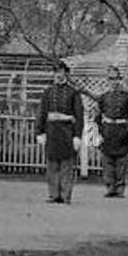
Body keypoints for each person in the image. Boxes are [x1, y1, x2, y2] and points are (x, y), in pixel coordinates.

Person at [37, 61, 84, 204]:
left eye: (61, 71)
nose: (58, 74)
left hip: (67, 131)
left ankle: (65, 196)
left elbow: (79, 115)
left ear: (65, 73)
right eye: (56, 71)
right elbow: (42, 113)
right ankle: (53, 195)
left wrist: (77, 136)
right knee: (52, 165)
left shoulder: (73, 92)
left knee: (66, 165)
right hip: (52, 131)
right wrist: (40, 132)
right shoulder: (48, 92)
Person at [95, 67, 128, 198]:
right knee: (107, 161)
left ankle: (120, 189)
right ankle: (110, 187)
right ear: (107, 80)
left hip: (122, 130)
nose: (114, 81)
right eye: (111, 79)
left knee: (121, 162)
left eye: (116, 78)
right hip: (108, 131)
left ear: (120, 79)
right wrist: (99, 133)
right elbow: (97, 117)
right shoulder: (103, 97)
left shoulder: (127, 98)